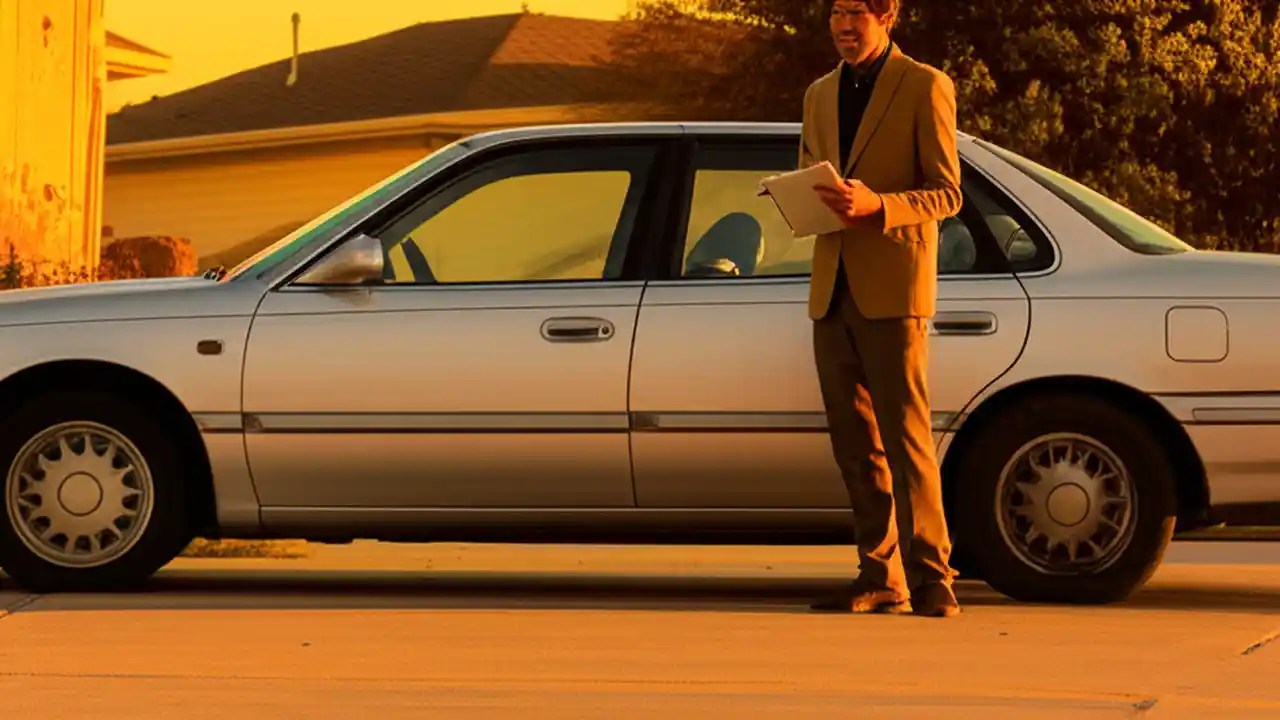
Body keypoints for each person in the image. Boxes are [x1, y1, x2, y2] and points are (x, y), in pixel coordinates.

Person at [801, 0, 963, 618]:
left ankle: (933, 577)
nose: (843, 26)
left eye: (854, 15)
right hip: (830, 288)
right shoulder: (818, 93)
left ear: (886, 14)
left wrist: (880, 206)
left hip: (894, 290)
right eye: (835, 14)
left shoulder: (925, 85)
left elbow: (948, 193)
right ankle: (879, 574)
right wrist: (797, 201)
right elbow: (810, 174)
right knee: (854, 444)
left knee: (906, 439)